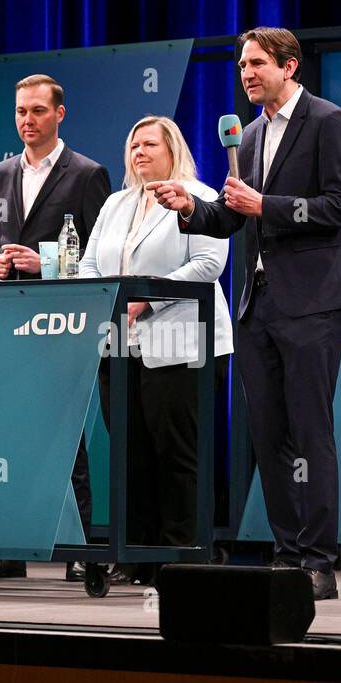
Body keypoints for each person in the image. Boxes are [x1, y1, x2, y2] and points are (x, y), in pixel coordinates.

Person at [149, 27, 341, 600]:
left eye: (256, 64)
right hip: (258, 304)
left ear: (289, 66)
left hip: (315, 300)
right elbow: (232, 219)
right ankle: (287, 554)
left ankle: (321, 561)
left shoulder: (328, 122)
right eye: (242, 66)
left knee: (310, 429)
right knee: (269, 434)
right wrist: (192, 209)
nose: (246, 74)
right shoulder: (247, 137)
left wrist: (265, 205)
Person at [0, 74, 111, 582]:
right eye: (21, 112)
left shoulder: (88, 174)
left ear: (60, 114)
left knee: (65, 435)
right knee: (7, 432)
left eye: (38, 112)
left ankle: (78, 548)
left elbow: (99, 256)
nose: (28, 121)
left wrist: (43, 266)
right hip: (6, 319)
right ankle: (9, 548)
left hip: (60, 320)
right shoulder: (0, 174)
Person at [79, 116, 232, 585]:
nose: (139, 152)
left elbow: (209, 262)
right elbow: (88, 263)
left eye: (150, 144)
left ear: (172, 150)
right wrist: (104, 303)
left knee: (177, 453)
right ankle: (136, 557)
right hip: (119, 342)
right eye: (133, 145)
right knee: (131, 453)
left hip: (178, 336)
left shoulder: (200, 196)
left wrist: (145, 296)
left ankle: (181, 557)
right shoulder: (115, 203)